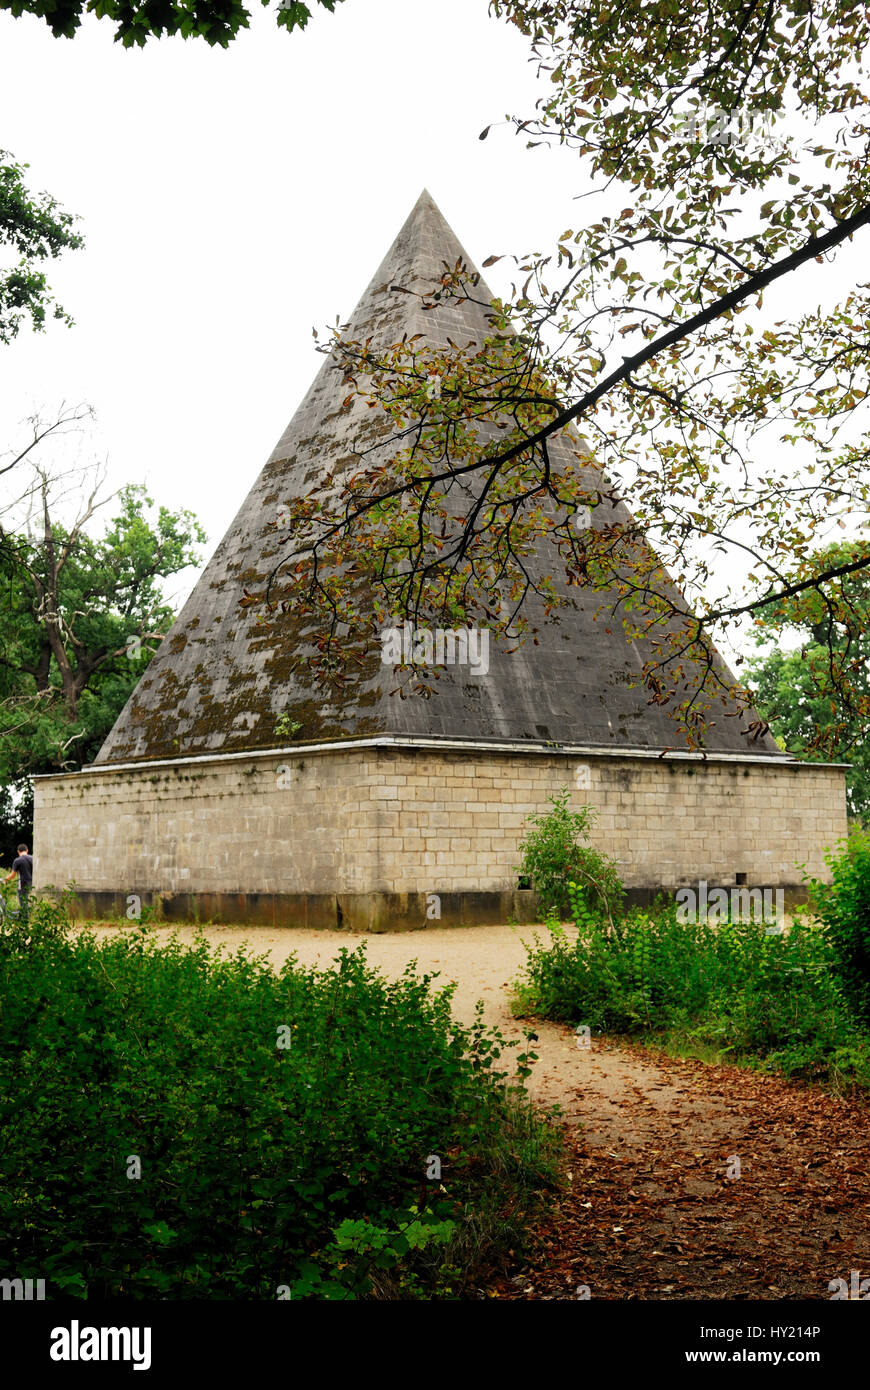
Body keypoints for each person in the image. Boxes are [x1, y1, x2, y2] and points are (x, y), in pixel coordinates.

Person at [4, 843, 33, 919]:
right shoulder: (33, 858)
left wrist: (5, 879)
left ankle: (24, 922)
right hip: (32, 885)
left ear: (18, 851)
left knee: (23, 905)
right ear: (27, 850)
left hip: (23, 885)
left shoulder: (17, 860)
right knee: (29, 904)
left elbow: (13, 875)